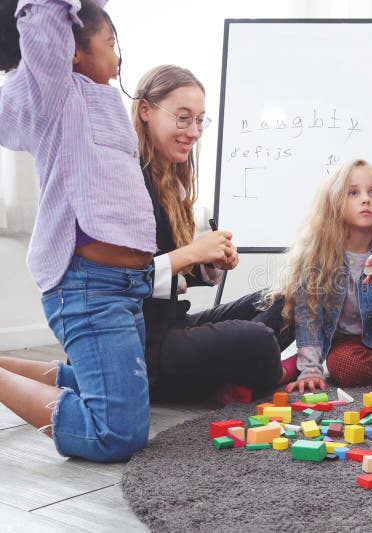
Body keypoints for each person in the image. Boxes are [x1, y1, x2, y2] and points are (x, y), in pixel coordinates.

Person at [0, 0, 156, 461]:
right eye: (111, 42)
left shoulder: (101, 99)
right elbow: (46, 14)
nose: (119, 55)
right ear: (68, 49)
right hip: (87, 286)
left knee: (110, 388)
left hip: (126, 289)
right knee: (117, 435)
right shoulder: (57, 93)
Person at [131, 64, 295, 402]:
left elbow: (167, 276)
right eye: (182, 118)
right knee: (259, 340)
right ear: (145, 109)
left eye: (199, 120)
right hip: (147, 346)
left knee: (288, 298)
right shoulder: (132, 182)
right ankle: (252, 372)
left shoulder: (169, 182)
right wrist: (194, 252)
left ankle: (233, 376)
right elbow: (129, 280)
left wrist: (207, 265)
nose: (194, 131)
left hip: (175, 323)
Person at [264, 159, 372, 394]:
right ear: (335, 201)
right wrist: (311, 369)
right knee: (343, 367)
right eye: (353, 193)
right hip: (348, 343)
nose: (366, 199)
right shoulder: (318, 253)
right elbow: (309, 315)